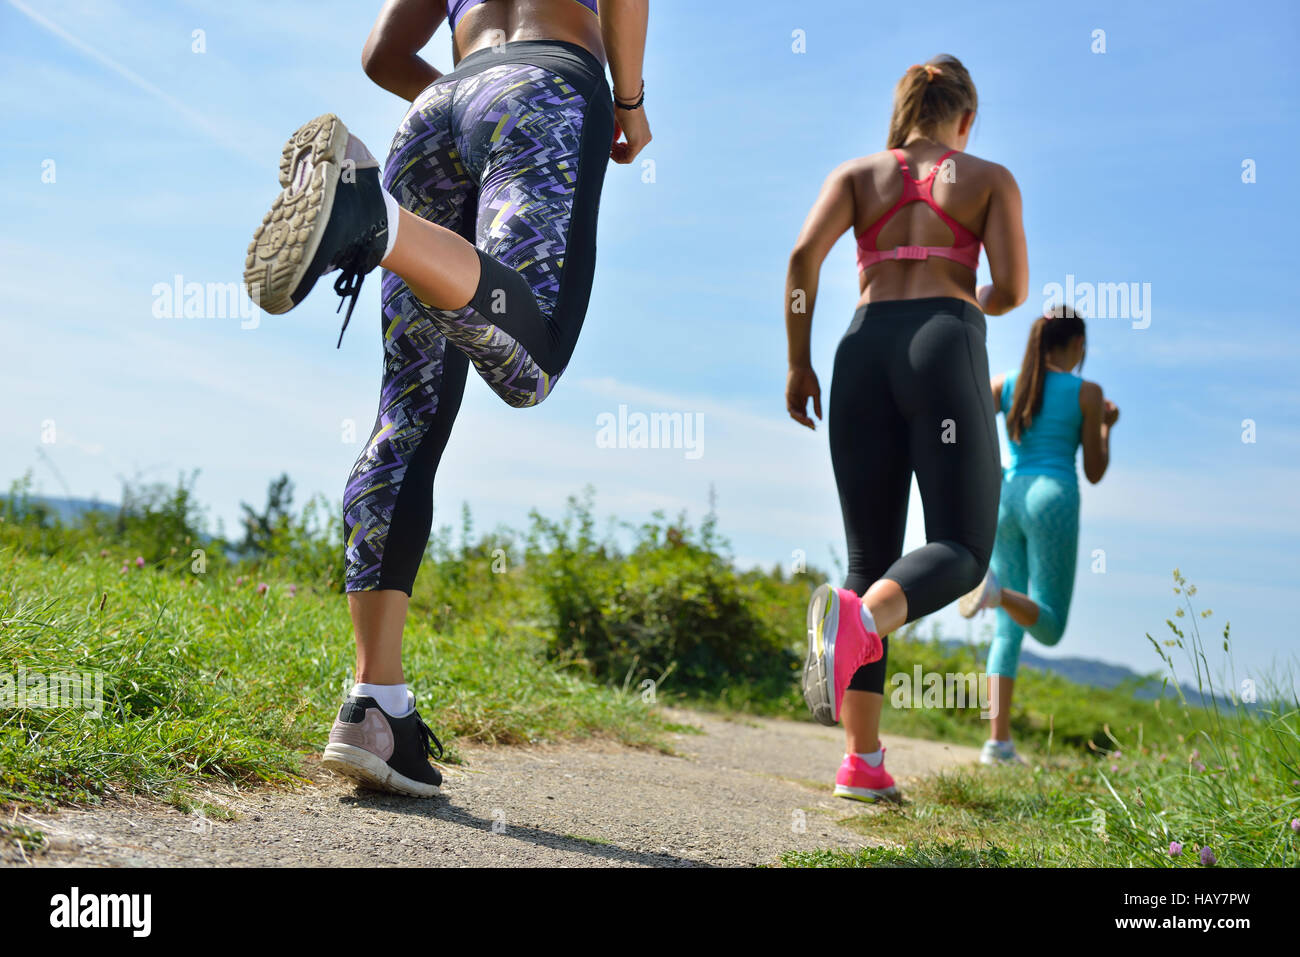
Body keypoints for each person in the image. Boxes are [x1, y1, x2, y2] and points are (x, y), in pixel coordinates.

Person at [242, 0, 651, 797]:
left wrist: (467, 103)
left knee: (408, 411)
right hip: (546, 87)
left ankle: (376, 706)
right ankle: (375, 221)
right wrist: (628, 104)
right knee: (529, 359)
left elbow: (383, 54)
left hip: (434, 112)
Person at [785, 55, 1028, 801]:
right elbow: (1012, 290)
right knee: (961, 544)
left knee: (868, 559)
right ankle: (863, 623)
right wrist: (960, 295)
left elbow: (803, 259)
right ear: (966, 118)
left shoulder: (857, 175)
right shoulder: (989, 178)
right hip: (942, 344)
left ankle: (862, 761)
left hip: (859, 352)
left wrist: (799, 364)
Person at [958, 306, 1118, 765]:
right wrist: (1105, 427)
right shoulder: (1088, 393)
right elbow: (1094, 470)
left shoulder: (1007, 385)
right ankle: (997, 592)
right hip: (1054, 497)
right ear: (1078, 345)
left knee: (1006, 631)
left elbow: (963, 427)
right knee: (1048, 626)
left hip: (1006, 496)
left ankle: (997, 744)